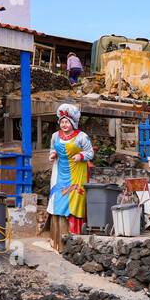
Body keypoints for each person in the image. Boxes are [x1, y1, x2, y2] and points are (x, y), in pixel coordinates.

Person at [47, 102, 93, 250]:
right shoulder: (55, 136)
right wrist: (53, 154)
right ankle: (56, 239)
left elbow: (90, 152)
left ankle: (74, 237)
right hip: (60, 172)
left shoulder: (81, 136)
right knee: (58, 199)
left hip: (77, 172)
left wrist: (81, 156)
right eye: (62, 122)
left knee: (75, 199)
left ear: (72, 122)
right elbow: (52, 149)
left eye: (67, 122)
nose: (64, 125)